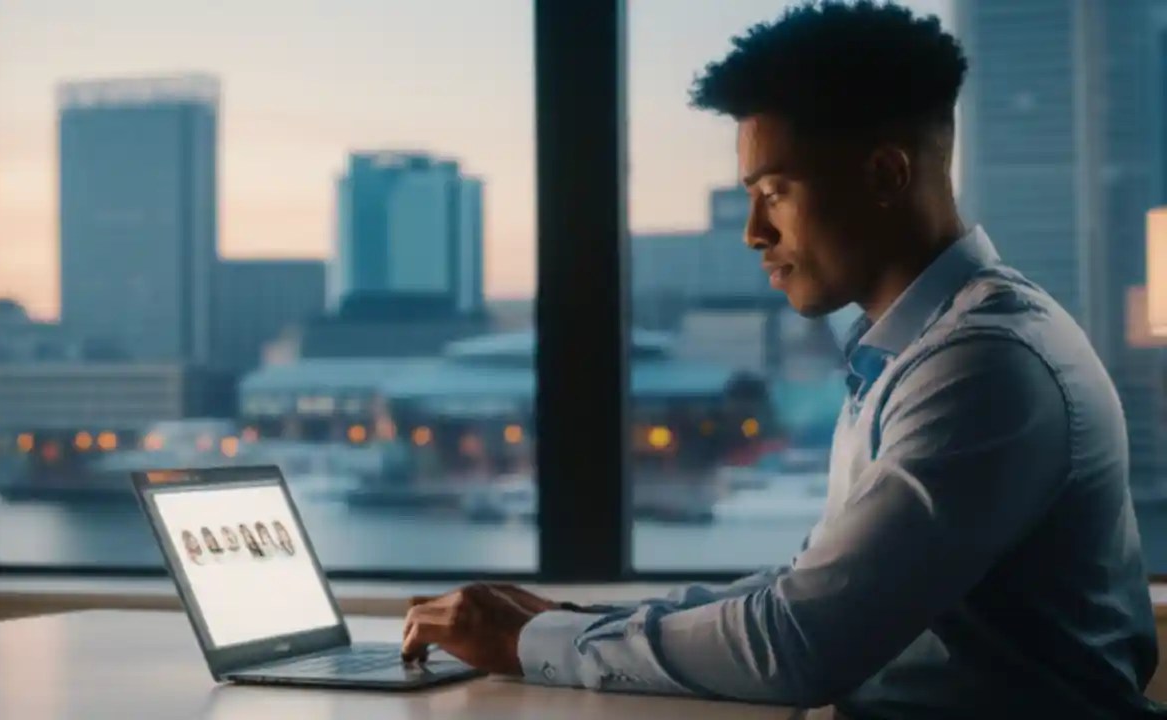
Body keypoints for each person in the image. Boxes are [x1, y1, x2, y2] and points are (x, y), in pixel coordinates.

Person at [400, 3, 1162, 717]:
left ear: (887, 175)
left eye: (776, 190)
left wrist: (531, 643)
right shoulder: (914, 350)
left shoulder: (986, 366)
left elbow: (801, 643)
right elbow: (804, 595)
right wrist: (580, 623)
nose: (753, 231)